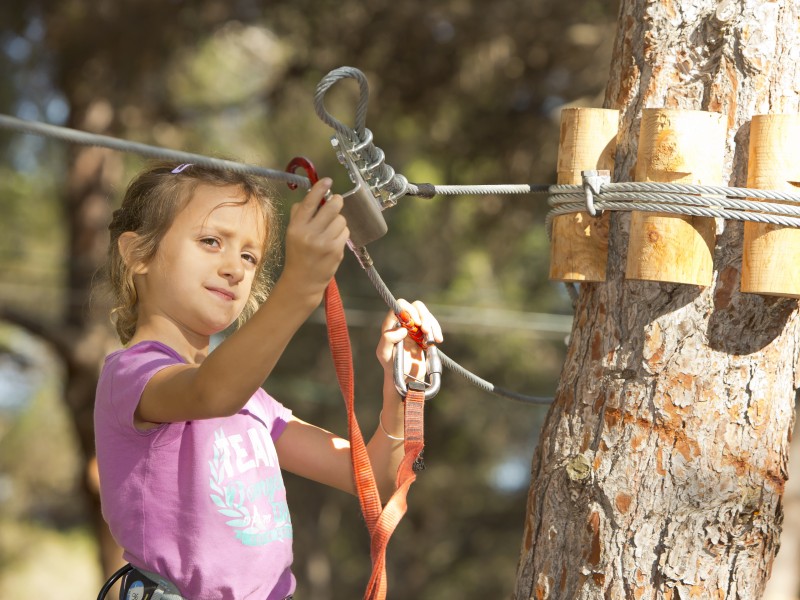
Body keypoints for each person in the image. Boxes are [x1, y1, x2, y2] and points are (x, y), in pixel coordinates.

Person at [93, 161, 442, 600]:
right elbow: (210, 392)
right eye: (210, 241)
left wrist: (401, 388)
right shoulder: (131, 375)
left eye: (249, 256)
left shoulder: (252, 403)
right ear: (137, 253)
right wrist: (301, 285)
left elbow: (370, 478)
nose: (235, 268)